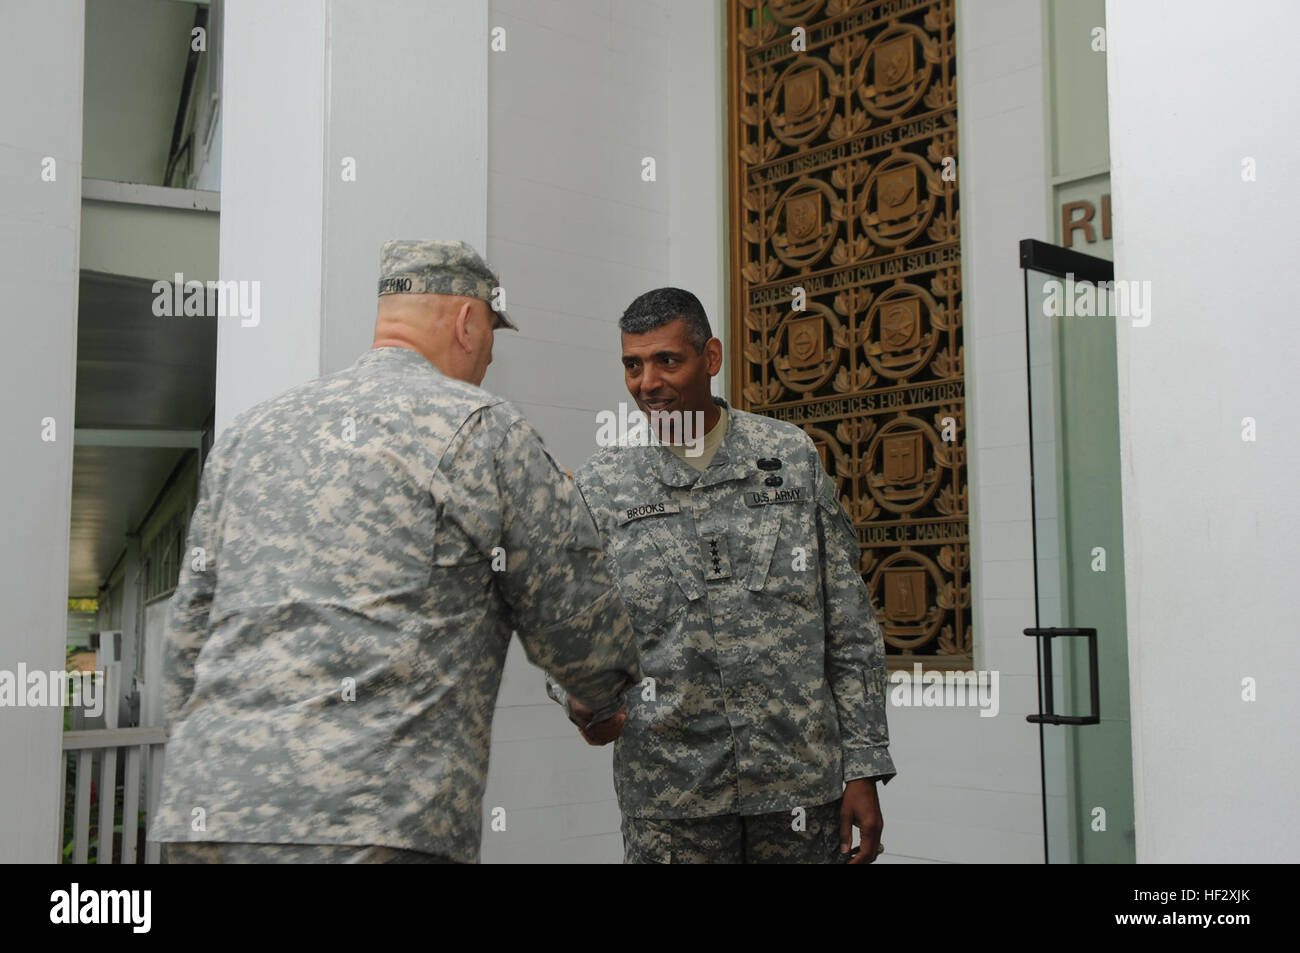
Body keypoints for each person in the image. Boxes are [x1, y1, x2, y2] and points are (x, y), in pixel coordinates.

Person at [149, 240, 639, 864]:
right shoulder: (483, 430)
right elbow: (577, 621)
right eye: (491, 332)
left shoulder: (252, 432)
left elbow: (186, 640)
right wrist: (601, 701)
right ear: (467, 321)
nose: (490, 355)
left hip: (209, 815)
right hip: (374, 825)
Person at [549, 287, 896, 864]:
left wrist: (863, 765)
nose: (647, 383)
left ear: (710, 358)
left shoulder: (789, 458)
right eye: (633, 365)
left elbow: (850, 625)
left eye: (667, 360)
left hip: (799, 787)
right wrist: (579, 698)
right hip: (671, 797)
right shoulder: (603, 486)